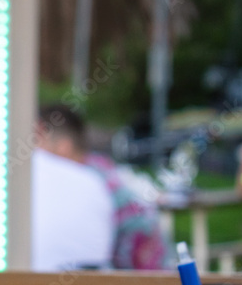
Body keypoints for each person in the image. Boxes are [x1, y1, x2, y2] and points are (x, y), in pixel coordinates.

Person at [36, 105, 170, 270]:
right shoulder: (100, 175)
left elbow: (144, 233)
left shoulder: (100, 182)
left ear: (64, 146)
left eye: (36, 142)